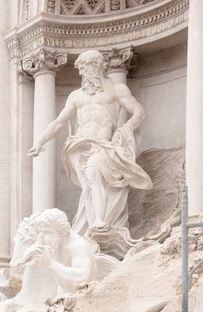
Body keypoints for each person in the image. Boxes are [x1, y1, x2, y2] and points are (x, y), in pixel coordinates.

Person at [28, 50, 152, 236]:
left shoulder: (116, 90)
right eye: (81, 69)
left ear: (98, 66)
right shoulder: (76, 96)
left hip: (103, 145)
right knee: (87, 188)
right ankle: (90, 228)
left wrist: (123, 130)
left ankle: (100, 221)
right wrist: (40, 141)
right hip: (79, 145)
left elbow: (138, 113)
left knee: (93, 173)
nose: (82, 73)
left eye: (85, 68)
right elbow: (59, 122)